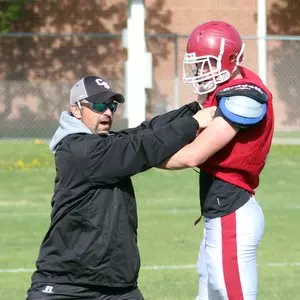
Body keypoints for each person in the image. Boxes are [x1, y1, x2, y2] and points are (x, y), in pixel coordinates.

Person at [26, 75, 216, 300]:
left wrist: (193, 108)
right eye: (98, 106)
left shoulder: (103, 143)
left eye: (111, 105)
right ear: (76, 110)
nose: (107, 112)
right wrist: (193, 123)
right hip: (66, 286)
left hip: (118, 287)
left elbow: (143, 131)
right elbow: (139, 147)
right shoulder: (78, 150)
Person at [161, 20, 274, 300]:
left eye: (208, 63)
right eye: (198, 64)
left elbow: (193, 155)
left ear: (233, 59)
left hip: (231, 214)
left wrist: (133, 158)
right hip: (222, 213)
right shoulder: (228, 85)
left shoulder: (244, 97)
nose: (201, 71)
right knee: (208, 294)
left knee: (234, 295)